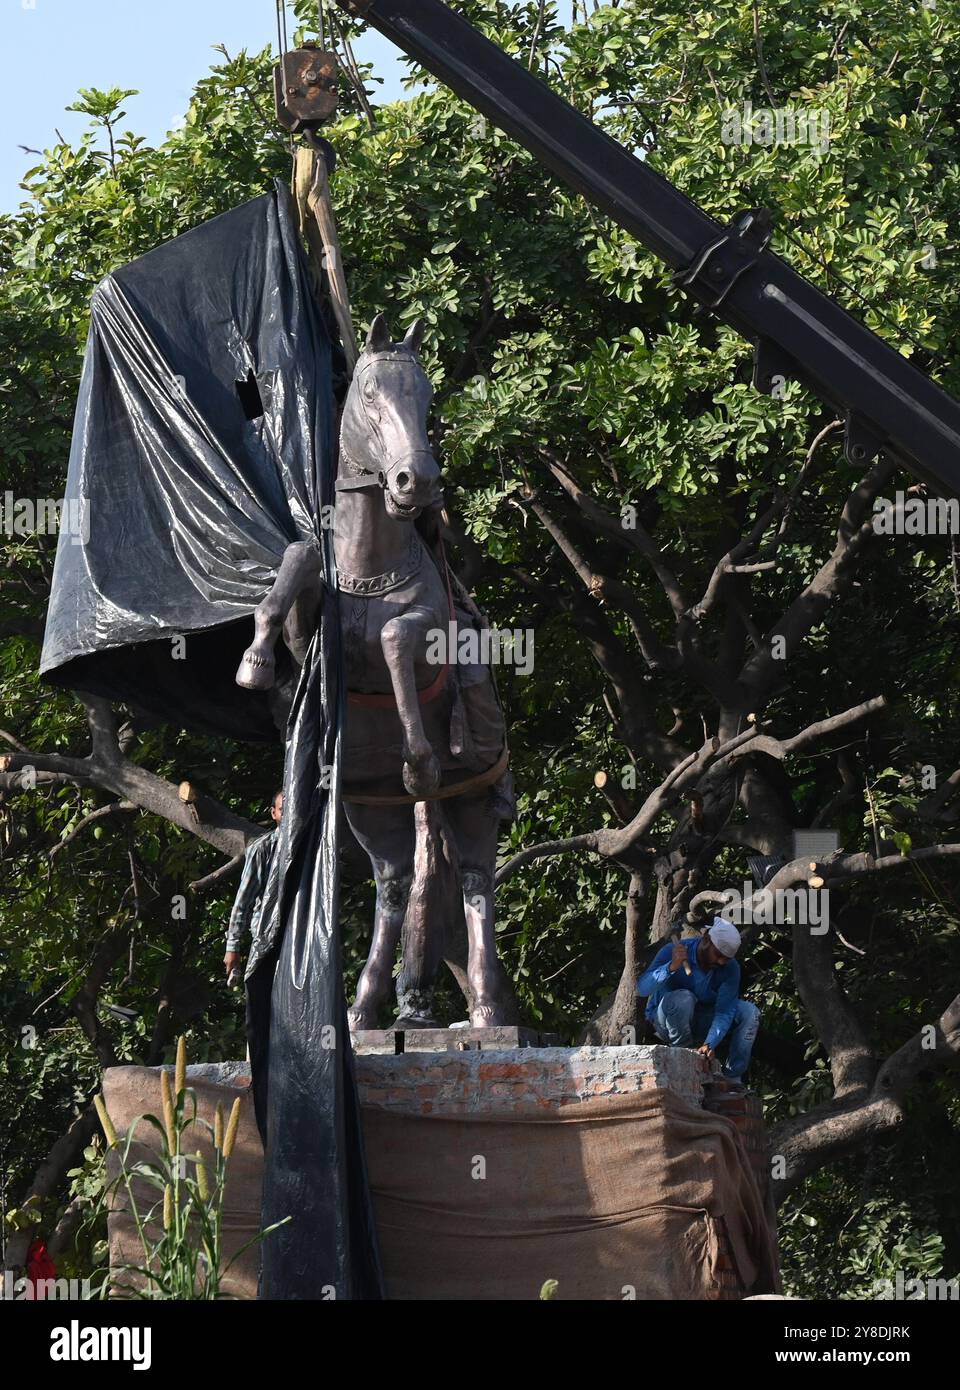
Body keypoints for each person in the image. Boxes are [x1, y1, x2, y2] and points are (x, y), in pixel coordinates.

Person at [636, 917, 760, 1083]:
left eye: (726, 959)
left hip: (701, 1022)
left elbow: (724, 1012)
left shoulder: (730, 969)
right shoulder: (671, 951)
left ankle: (732, 1079)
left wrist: (710, 1044)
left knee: (750, 1012)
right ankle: (683, 1055)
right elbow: (642, 989)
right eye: (718, 955)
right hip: (666, 1021)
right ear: (707, 938)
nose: (721, 961)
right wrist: (671, 967)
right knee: (684, 999)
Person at [223, 788, 283, 983]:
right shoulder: (262, 850)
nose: (290, 814)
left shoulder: (314, 846)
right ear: (273, 813)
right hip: (268, 936)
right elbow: (243, 901)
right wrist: (233, 947)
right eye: (283, 809)